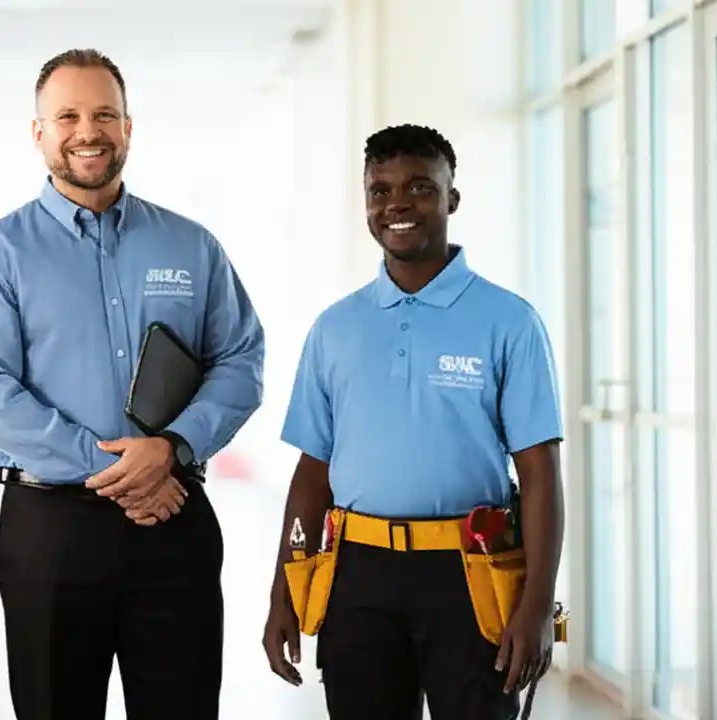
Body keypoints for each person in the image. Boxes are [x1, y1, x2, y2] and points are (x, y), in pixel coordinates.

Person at [0, 48, 264, 720]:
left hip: (173, 520)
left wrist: (173, 447)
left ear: (128, 127)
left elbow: (241, 358)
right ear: (39, 133)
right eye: (66, 115)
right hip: (51, 532)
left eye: (104, 114)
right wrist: (126, 468)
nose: (86, 130)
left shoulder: (191, 246)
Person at [261, 124, 565, 719]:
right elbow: (312, 472)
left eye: (420, 187)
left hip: (472, 571)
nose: (397, 203)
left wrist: (537, 606)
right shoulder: (335, 328)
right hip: (358, 574)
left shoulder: (509, 322)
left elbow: (540, 472)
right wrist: (283, 590)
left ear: (452, 198)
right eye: (380, 191)